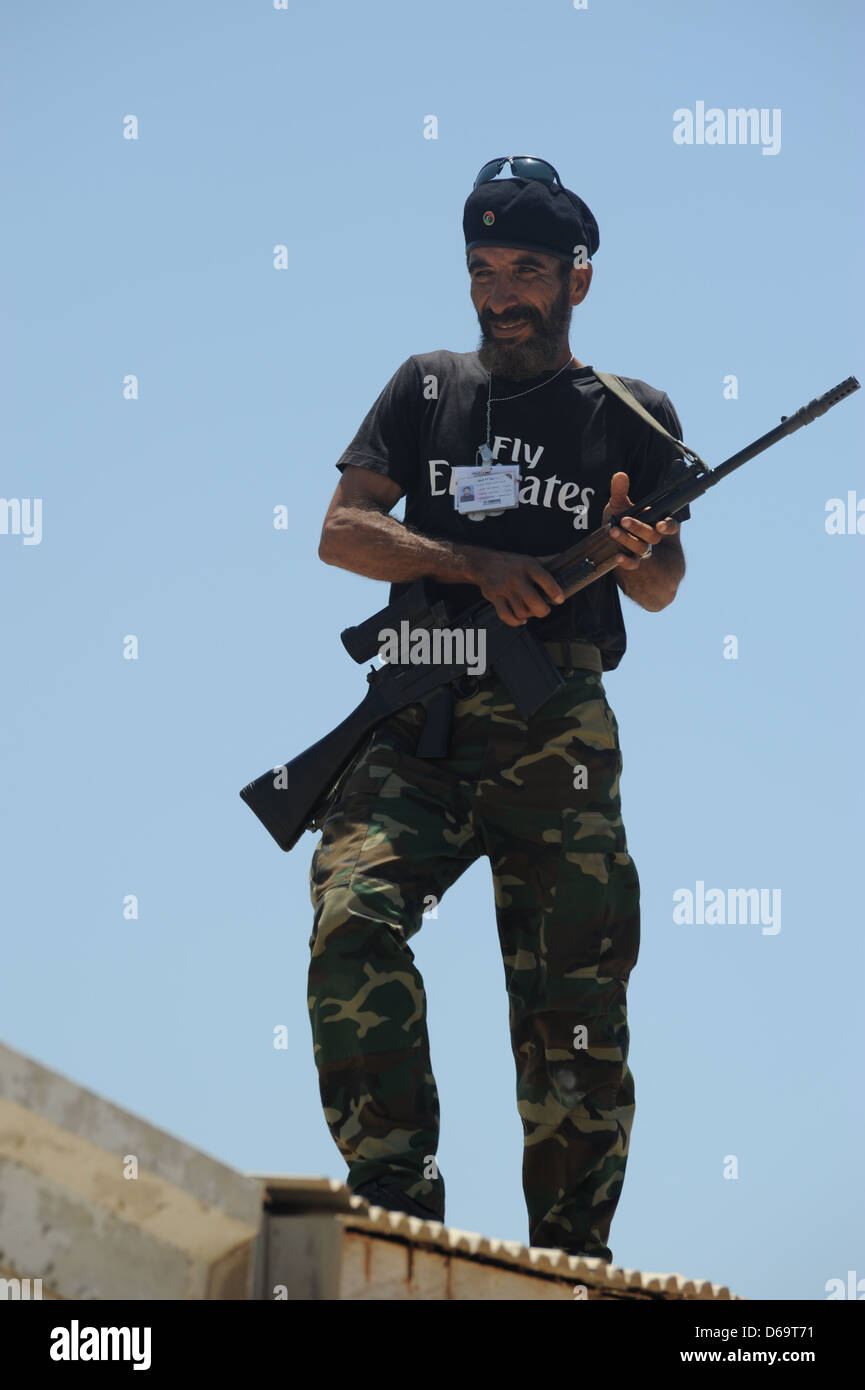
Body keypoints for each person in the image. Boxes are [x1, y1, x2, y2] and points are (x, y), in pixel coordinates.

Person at [307, 156, 688, 1261]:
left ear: (578, 279)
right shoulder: (428, 388)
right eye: (483, 267)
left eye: (525, 268)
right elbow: (342, 531)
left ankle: (572, 1260)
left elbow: (663, 590)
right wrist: (473, 563)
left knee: (574, 1005)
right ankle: (397, 1207)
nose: (500, 292)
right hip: (417, 719)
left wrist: (636, 550)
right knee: (350, 922)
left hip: (558, 736)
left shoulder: (631, 414)